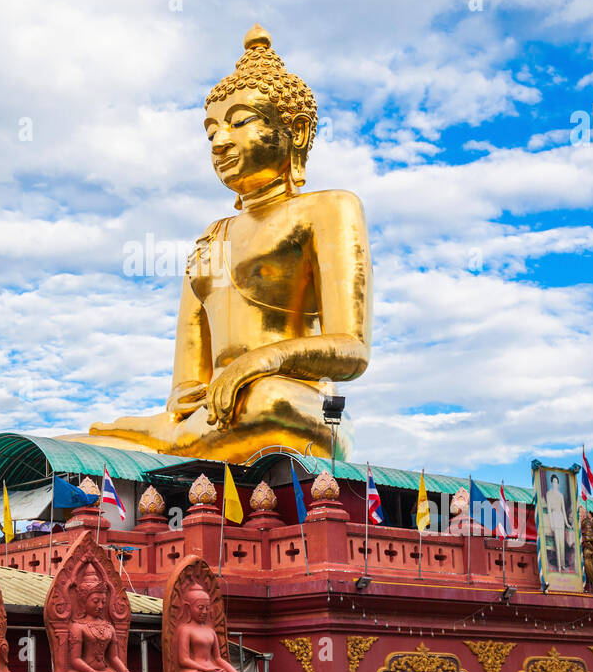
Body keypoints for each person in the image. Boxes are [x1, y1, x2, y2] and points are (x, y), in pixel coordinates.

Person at [69, 26, 372, 463]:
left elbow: (352, 350)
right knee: (73, 446)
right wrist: (183, 401)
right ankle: (158, 444)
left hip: (304, 406)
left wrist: (261, 361)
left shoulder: (328, 209)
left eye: (240, 122)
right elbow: (187, 387)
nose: (219, 142)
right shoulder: (213, 237)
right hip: (216, 416)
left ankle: (161, 445)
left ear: (298, 132)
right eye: (210, 130)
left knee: (267, 401)